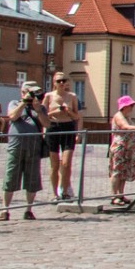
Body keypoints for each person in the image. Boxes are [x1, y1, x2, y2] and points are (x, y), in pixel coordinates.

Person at [1, 81, 47, 222]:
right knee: (10, 177)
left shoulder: (40, 107)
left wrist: (38, 110)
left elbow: (47, 124)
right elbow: (13, 116)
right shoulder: (14, 103)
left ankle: (28, 209)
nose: (33, 95)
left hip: (33, 146)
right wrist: (23, 102)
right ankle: (5, 210)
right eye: (31, 92)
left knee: (32, 179)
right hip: (16, 146)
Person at [41, 72, 82, 201]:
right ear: (54, 83)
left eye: (64, 80)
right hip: (53, 127)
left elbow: (77, 116)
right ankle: (54, 194)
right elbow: (42, 115)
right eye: (59, 81)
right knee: (54, 164)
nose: (62, 83)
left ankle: (65, 191)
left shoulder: (72, 96)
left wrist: (68, 111)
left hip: (68, 127)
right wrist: (56, 111)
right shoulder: (49, 96)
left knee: (66, 163)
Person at [108, 95, 135, 205]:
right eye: (130, 105)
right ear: (124, 106)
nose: (132, 107)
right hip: (120, 147)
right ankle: (114, 195)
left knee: (124, 172)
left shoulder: (127, 117)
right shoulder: (119, 116)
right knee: (117, 171)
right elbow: (125, 127)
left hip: (128, 147)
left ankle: (121, 194)